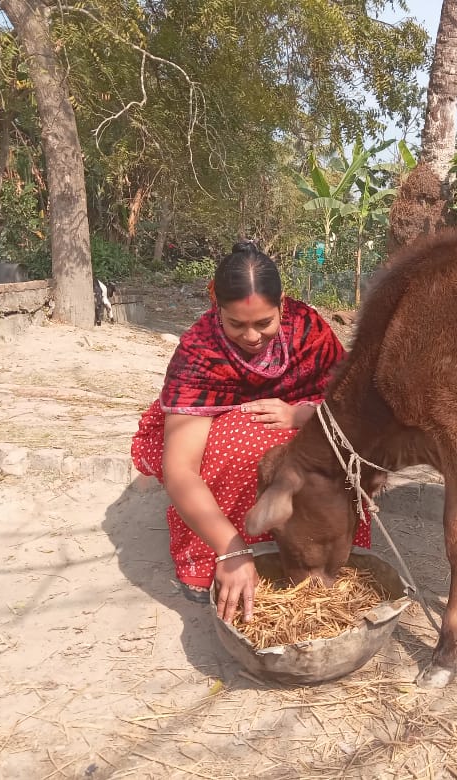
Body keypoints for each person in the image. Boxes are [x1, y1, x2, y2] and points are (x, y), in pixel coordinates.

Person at [131, 241, 370, 622]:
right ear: (217, 308)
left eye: (264, 323)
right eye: (236, 324)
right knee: (238, 447)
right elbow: (181, 471)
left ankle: (318, 554)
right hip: (225, 462)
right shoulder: (198, 352)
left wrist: (303, 416)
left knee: (326, 452)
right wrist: (230, 550)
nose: (252, 337)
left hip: (304, 418)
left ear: (282, 306)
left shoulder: (309, 330)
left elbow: (353, 406)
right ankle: (221, 557)